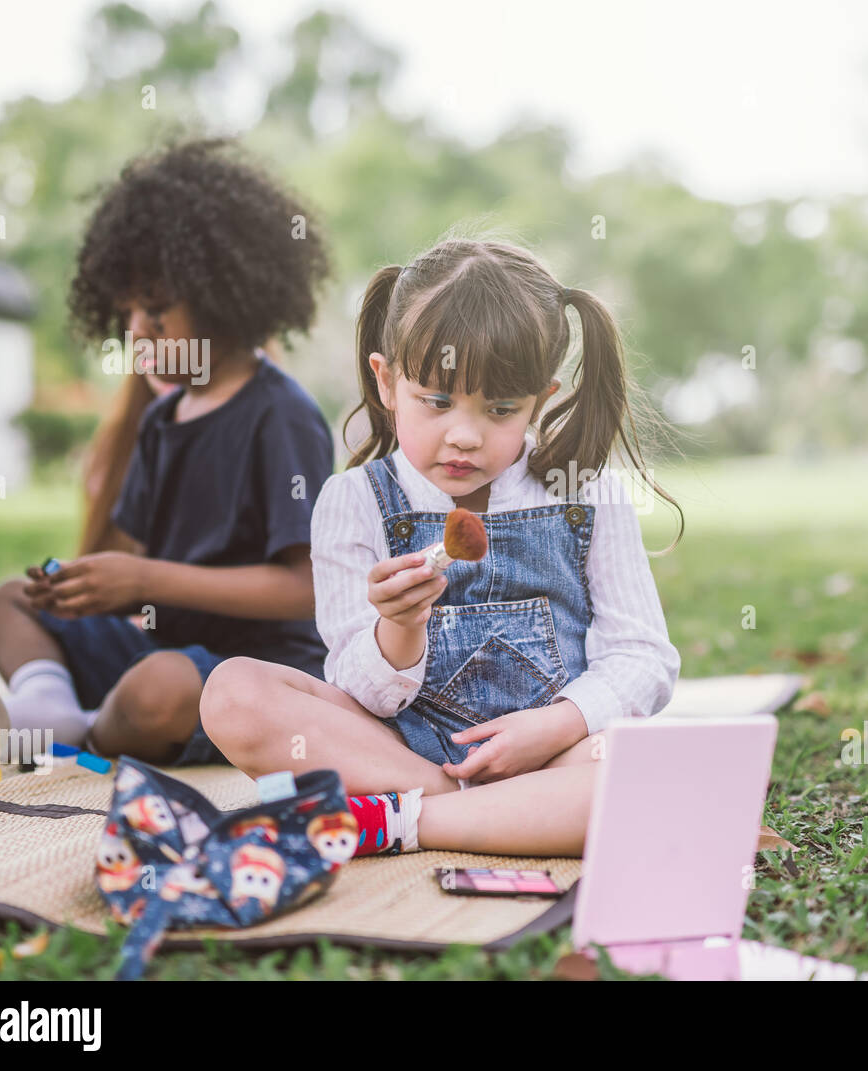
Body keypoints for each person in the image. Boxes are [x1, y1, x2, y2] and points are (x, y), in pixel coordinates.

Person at [200, 233, 684, 856]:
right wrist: (398, 630)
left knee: (638, 770)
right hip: (399, 753)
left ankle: (401, 822)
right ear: (386, 382)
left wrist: (554, 726)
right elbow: (360, 688)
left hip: (555, 758)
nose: (464, 436)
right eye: (436, 401)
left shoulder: (588, 494)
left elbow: (643, 657)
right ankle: (488, 815)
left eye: (501, 410)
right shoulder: (353, 503)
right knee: (235, 694)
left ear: (542, 402)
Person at [0, 138, 334, 767]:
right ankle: (60, 714)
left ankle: (83, 737)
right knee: (8, 601)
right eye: (128, 311)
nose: (137, 330)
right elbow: (134, 564)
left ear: (226, 299)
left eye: (158, 311)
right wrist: (86, 588)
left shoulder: (281, 416)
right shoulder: (162, 420)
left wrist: (143, 581)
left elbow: (305, 589)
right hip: (162, 647)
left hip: (244, 674)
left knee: (159, 690)